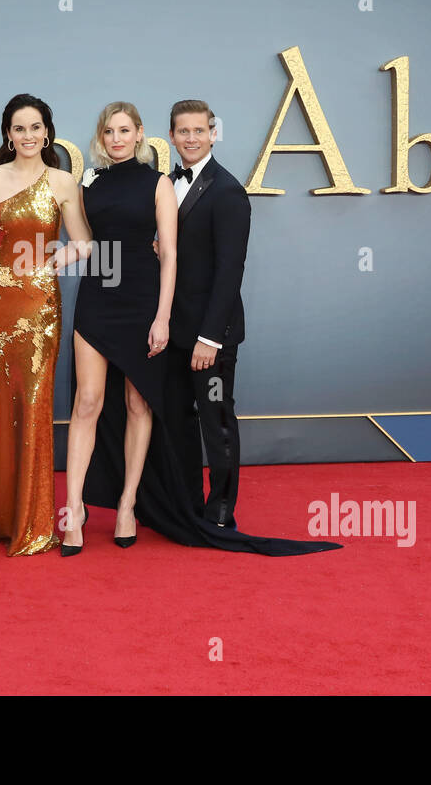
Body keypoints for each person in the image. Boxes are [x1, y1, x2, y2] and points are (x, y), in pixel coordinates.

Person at [79, 98, 340, 556]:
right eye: (183, 131)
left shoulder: (227, 191)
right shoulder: (165, 184)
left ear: (213, 133)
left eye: (200, 131)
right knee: (175, 422)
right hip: (163, 330)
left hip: (207, 334)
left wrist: (209, 338)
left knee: (216, 422)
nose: (192, 138)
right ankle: (183, 505)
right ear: (171, 136)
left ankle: (219, 513)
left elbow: (229, 271)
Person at [0, 94, 91, 556]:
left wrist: (42, 265)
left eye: (36, 127)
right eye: (19, 129)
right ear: (8, 134)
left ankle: (32, 521)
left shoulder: (63, 182)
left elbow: (85, 243)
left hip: (39, 308)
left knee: (32, 403)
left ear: (47, 132)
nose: (28, 136)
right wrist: (1, 265)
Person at [61, 102, 176, 556]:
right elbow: (85, 244)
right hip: (98, 296)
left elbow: (168, 253)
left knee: (136, 402)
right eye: (109, 131)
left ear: (140, 134)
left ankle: (127, 504)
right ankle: (74, 508)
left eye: (124, 130)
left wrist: (163, 316)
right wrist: (42, 261)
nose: (116, 138)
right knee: (87, 401)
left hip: (143, 301)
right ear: (101, 136)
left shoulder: (158, 183)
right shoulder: (88, 181)